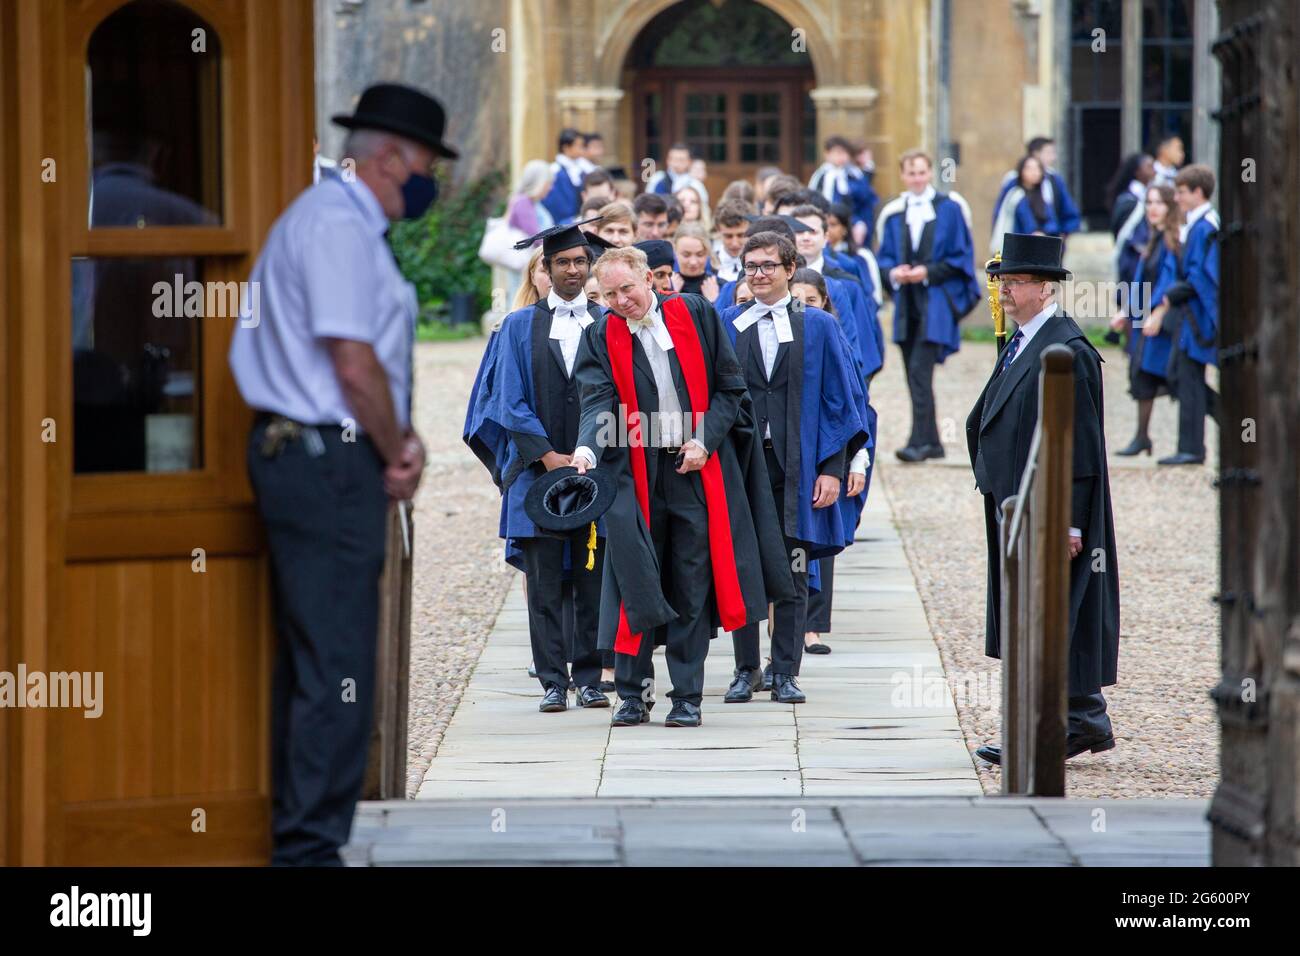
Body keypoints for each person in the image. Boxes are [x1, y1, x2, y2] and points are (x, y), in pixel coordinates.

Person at [228, 83, 453, 865]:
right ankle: (308, 849)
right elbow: (353, 364)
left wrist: (396, 437)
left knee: (322, 656)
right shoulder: (335, 224)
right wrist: (396, 448)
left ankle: (305, 838)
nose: (428, 182)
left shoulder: (344, 223)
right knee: (336, 661)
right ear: (390, 158)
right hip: (325, 456)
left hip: (327, 450)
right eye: (425, 164)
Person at [571, 246, 795, 728]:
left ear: (649, 278)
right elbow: (596, 403)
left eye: (627, 289)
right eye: (609, 294)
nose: (620, 301)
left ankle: (687, 696)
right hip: (635, 471)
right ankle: (633, 695)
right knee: (635, 578)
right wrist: (587, 450)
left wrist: (704, 441)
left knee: (692, 581)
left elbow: (730, 389)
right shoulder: (600, 334)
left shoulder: (695, 313)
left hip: (694, 468)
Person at [966, 232, 1120, 766]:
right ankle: (1082, 719)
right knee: (1038, 610)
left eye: (1016, 281)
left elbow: (1079, 442)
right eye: (1003, 280)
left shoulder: (1066, 348)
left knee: (1047, 612)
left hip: (1049, 505)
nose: (1005, 290)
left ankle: (1051, 728)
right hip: (1014, 499)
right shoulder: (1023, 337)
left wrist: (1072, 522)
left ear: (1046, 288)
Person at [464, 221, 612, 713]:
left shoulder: (608, 322)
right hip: (536, 472)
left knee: (592, 577)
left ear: (590, 267)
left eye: (579, 262)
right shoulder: (518, 327)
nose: (572, 270)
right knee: (544, 580)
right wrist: (547, 456)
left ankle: (590, 677)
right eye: (562, 262)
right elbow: (508, 398)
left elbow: (615, 397)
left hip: (595, 472)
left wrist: (587, 451)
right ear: (544, 269)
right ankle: (552, 679)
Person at [718, 234, 869, 704]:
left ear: (790, 269)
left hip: (798, 465)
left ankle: (784, 670)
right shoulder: (727, 323)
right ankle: (746, 670)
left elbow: (840, 401)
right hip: (742, 464)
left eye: (767, 266)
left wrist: (832, 467)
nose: (758, 274)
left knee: (794, 565)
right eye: (750, 266)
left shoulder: (819, 326)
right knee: (743, 566)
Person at [875, 148, 981, 462]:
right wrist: (895, 273)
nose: (917, 178)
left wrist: (927, 272)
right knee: (913, 372)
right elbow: (885, 258)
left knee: (920, 371)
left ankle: (918, 441)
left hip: (935, 303)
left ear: (930, 173)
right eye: (911, 172)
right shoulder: (894, 213)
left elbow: (961, 257)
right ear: (903, 175)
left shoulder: (950, 209)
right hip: (907, 304)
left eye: (922, 172)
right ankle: (933, 442)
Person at [1155, 164, 1219, 466]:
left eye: (1181, 192)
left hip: (1198, 315)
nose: (1176, 198)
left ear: (1198, 192)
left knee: (1188, 376)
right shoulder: (1195, 224)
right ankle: (1196, 442)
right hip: (1189, 313)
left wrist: (1170, 296)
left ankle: (1192, 447)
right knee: (1181, 376)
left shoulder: (1205, 226)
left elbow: (1202, 276)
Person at [1109, 183, 1177, 456]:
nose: (1153, 208)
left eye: (1159, 203)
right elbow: (1139, 279)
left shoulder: (1173, 240)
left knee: (1179, 380)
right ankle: (1142, 436)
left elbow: (1169, 280)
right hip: (1143, 318)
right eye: (1149, 203)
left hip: (1165, 318)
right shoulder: (1153, 238)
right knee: (1142, 375)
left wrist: (1158, 311)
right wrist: (1126, 310)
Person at [991, 137, 1081, 244]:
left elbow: (1059, 215)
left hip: (1046, 245)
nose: (1053, 157)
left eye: (1037, 169)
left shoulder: (1052, 181)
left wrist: (1060, 233)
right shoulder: (1014, 188)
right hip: (1018, 245)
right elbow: (1004, 218)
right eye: (1048, 153)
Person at [809, 135, 878, 248]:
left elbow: (865, 197)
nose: (842, 157)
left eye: (845, 153)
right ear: (827, 154)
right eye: (838, 152)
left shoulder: (853, 174)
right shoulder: (821, 176)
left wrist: (859, 222)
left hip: (854, 222)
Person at [1106, 152, 1155, 239]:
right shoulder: (1128, 202)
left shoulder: (1146, 194)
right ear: (1137, 171)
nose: (1154, 171)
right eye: (1149, 167)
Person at [541, 127, 586, 224]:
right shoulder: (554, 171)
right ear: (566, 147)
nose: (582, 150)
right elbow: (552, 203)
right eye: (578, 146)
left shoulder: (582, 170)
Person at [646, 142, 709, 208]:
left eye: (681, 160)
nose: (676, 163)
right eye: (673, 159)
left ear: (689, 162)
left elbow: (703, 207)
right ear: (667, 160)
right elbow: (648, 202)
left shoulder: (695, 184)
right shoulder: (657, 179)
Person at [671, 222, 719, 301]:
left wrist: (715, 302)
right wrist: (669, 296)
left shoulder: (720, 286)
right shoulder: (664, 286)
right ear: (675, 251)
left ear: (707, 252)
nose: (693, 262)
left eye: (700, 254)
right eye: (686, 255)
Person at [713, 199, 757, 283]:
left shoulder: (762, 265)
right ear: (718, 231)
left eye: (741, 235)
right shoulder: (707, 265)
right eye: (728, 236)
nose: (735, 243)